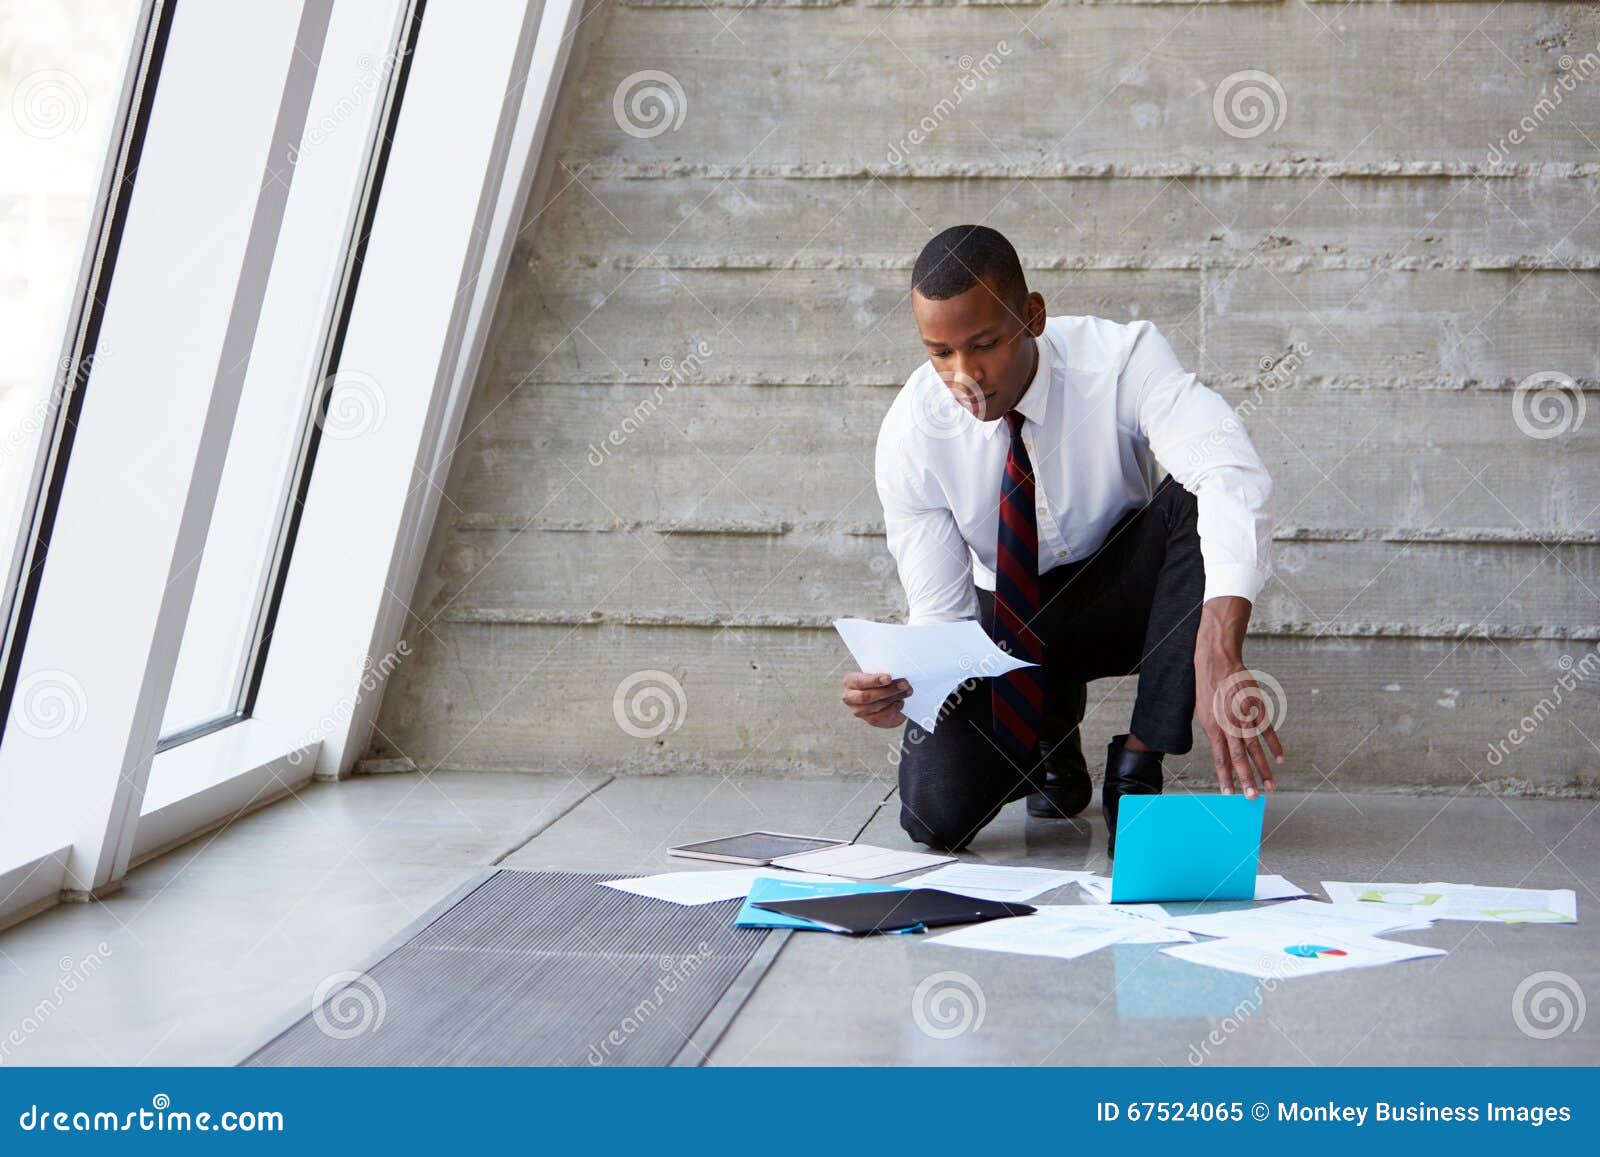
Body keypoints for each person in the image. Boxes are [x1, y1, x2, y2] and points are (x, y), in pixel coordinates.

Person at [840, 224, 1284, 855]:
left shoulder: (1123, 360)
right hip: (1006, 628)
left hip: (1124, 599)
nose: (965, 375)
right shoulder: (913, 433)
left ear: (1032, 315)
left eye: (985, 343)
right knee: (934, 818)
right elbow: (942, 614)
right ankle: (1046, 739)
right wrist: (906, 689)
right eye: (940, 353)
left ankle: (1139, 761)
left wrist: (1220, 645)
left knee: (1194, 496)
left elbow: (1230, 470)